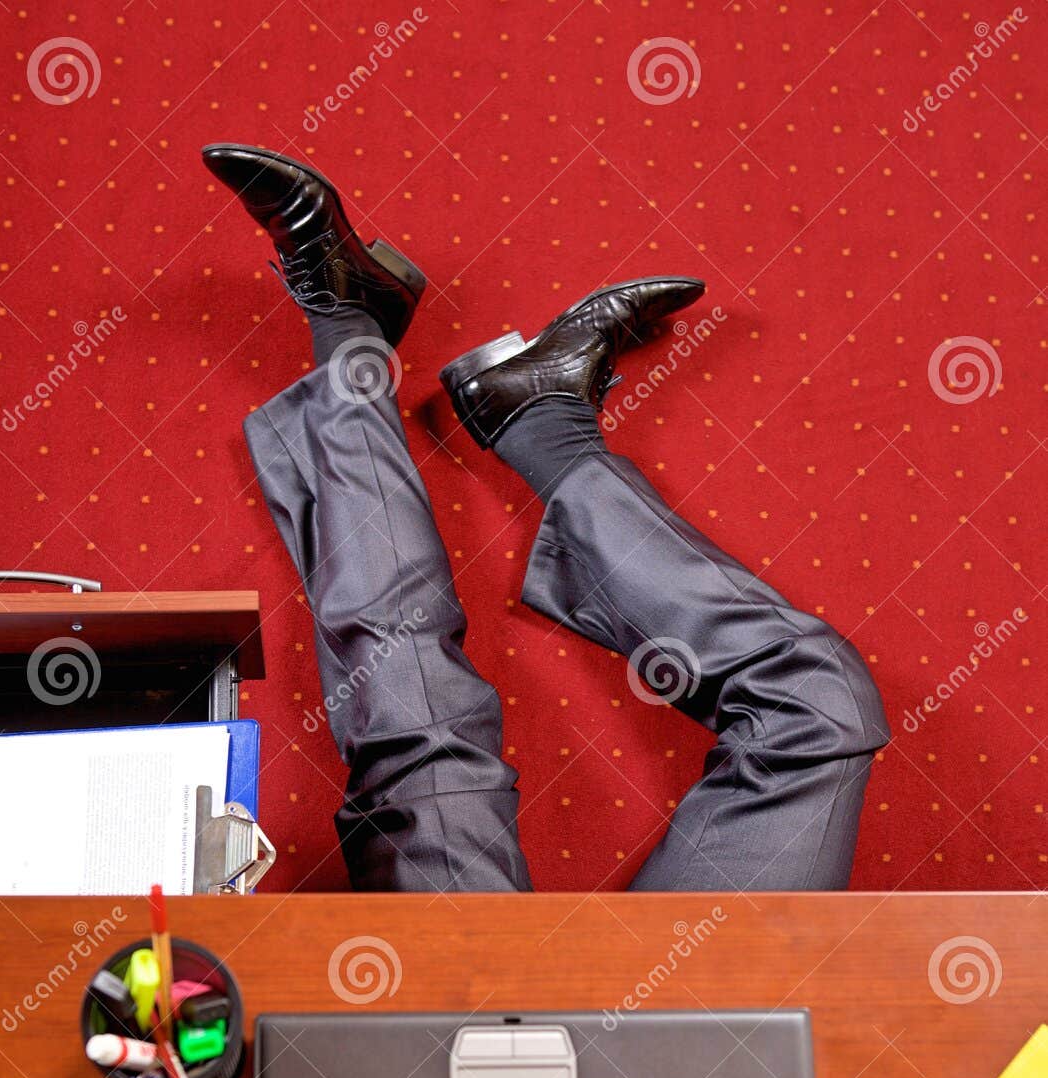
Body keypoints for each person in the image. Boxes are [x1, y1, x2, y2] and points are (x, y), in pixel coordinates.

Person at [203, 144, 889, 894]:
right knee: (819, 700)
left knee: (421, 743)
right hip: (702, 1012)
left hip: (455, 1003)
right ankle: (539, 418)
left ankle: (352, 334)